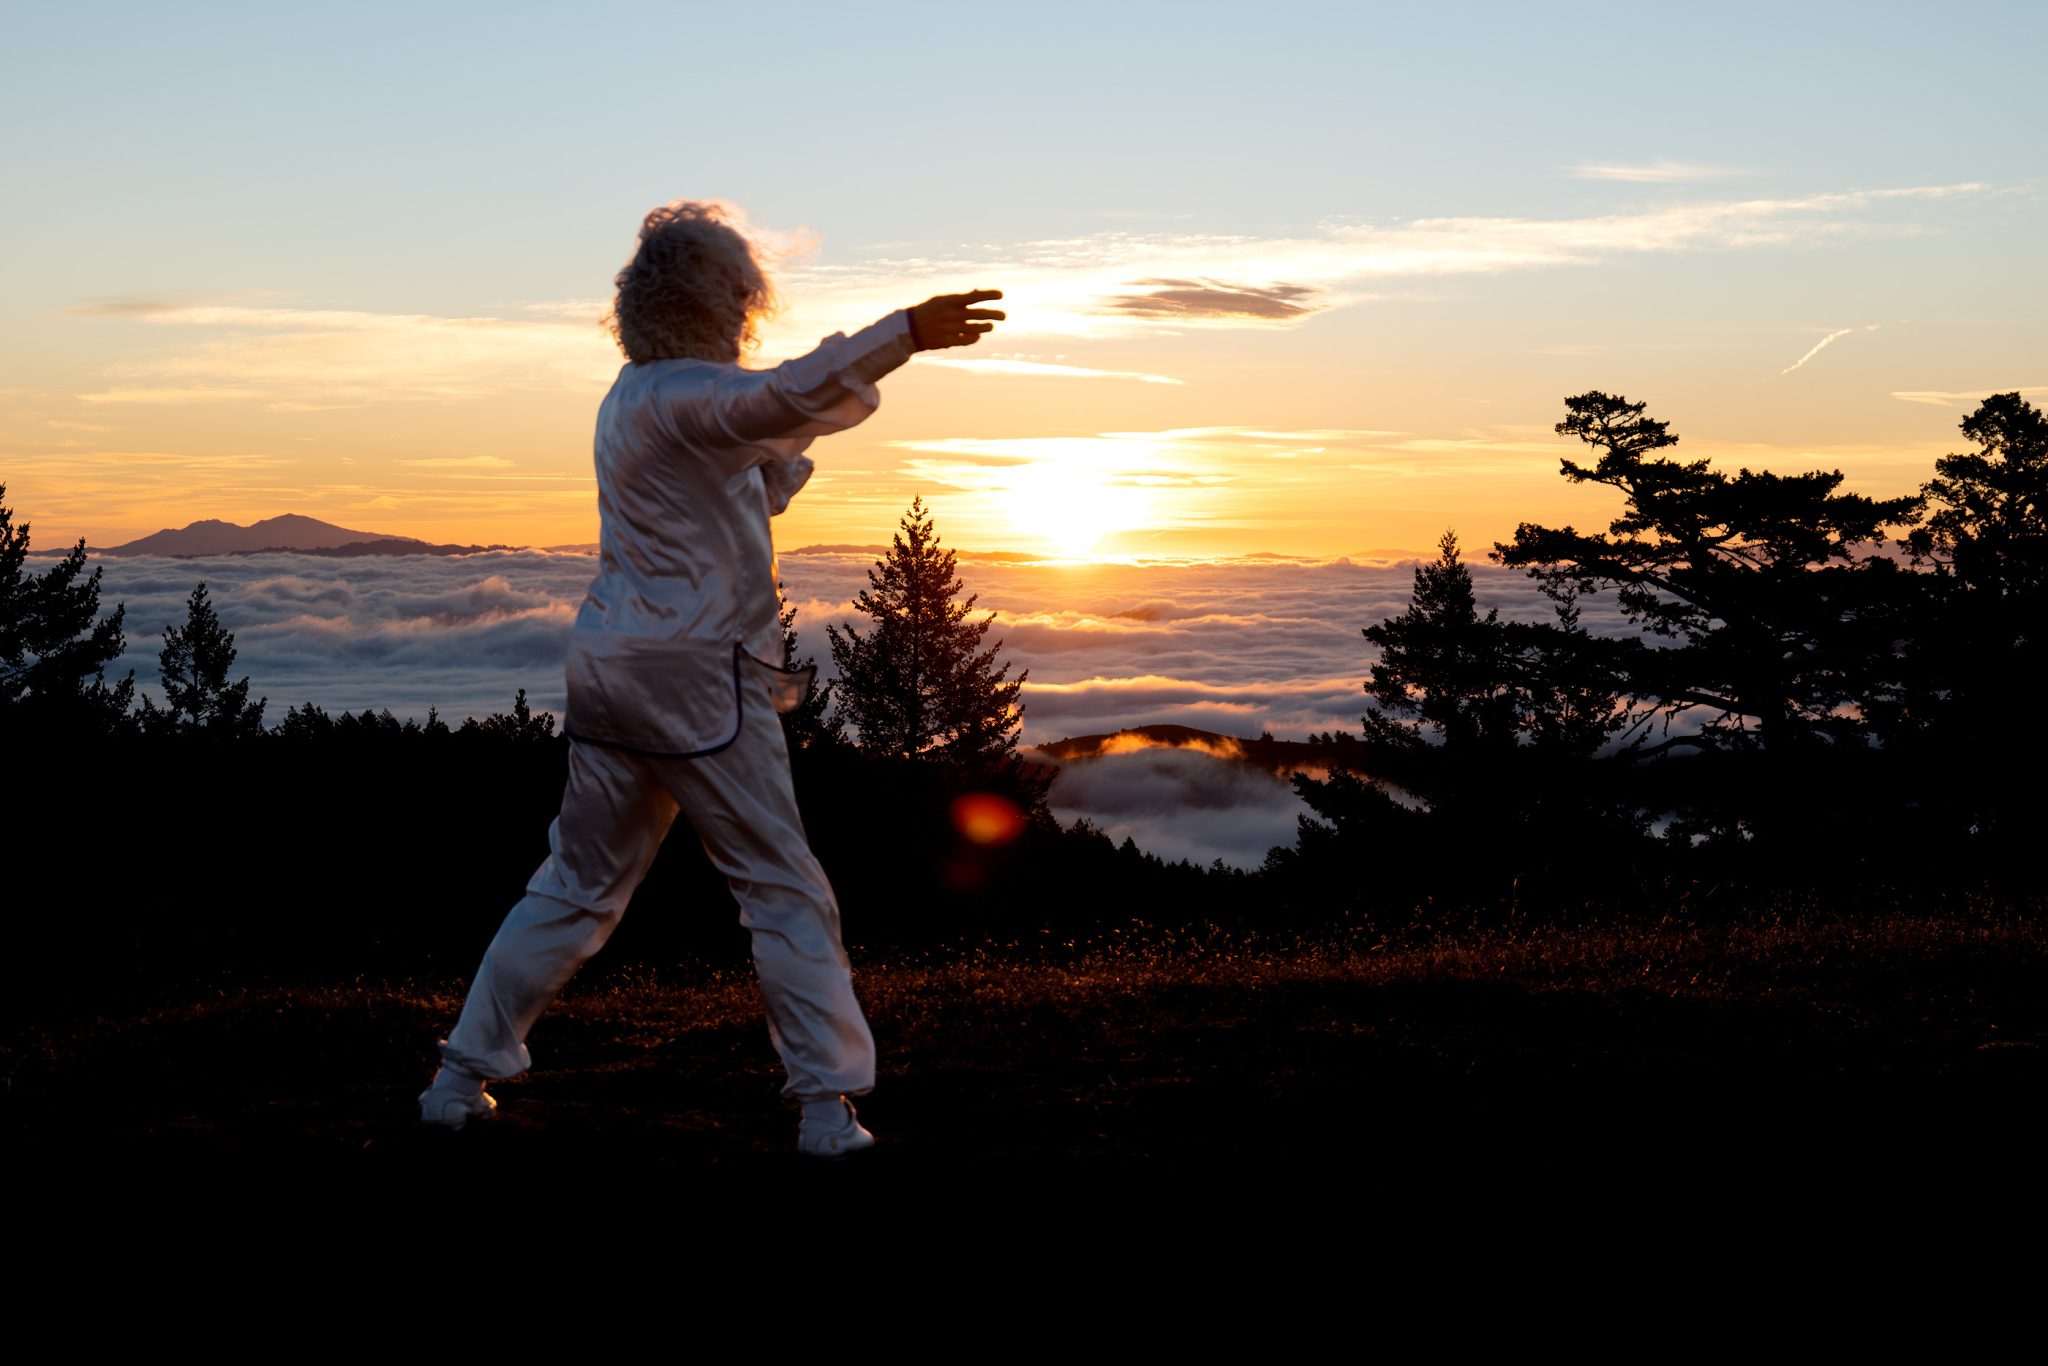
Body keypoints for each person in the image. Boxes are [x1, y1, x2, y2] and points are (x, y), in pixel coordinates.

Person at [416, 199, 1004, 1156]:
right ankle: (825, 1109)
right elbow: (769, 405)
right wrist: (903, 334)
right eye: (738, 291)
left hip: (611, 673)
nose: (747, 308)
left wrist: (792, 436)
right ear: (709, 299)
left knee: (574, 884)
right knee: (781, 886)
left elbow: (749, 462)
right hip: (697, 680)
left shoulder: (632, 397)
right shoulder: (687, 394)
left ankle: (456, 1079)